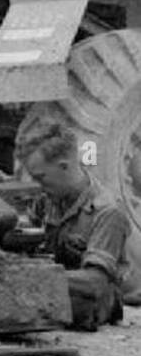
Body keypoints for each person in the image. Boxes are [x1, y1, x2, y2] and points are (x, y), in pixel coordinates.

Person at [14, 110, 134, 330]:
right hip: (49, 289)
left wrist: (30, 278)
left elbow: (95, 283)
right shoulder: (47, 200)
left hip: (88, 305)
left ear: (64, 166)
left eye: (40, 178)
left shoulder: (107, 212)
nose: (36, 185)